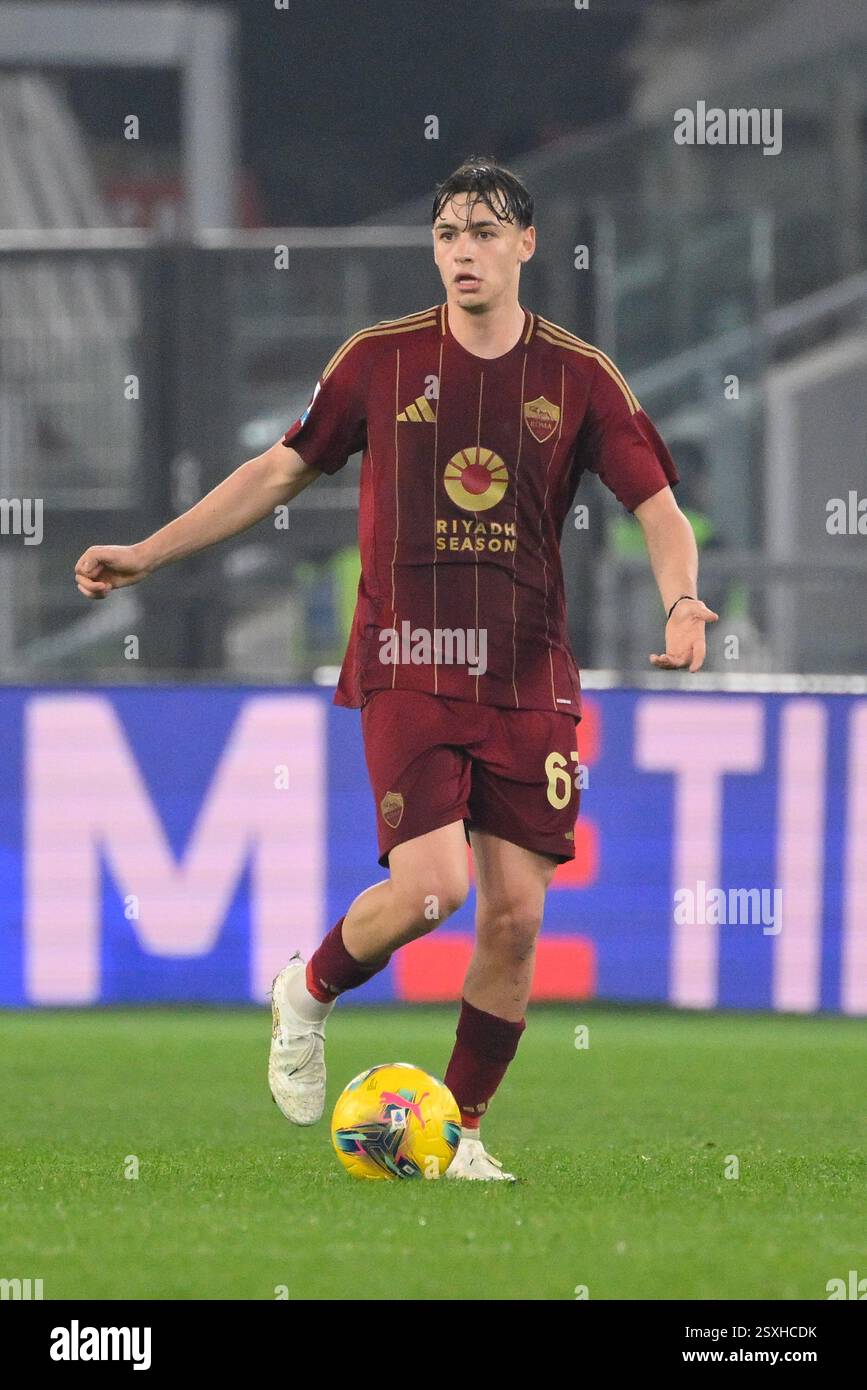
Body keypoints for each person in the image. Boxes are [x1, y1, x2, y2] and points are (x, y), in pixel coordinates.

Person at [74, 156, 718, 1181]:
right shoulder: (379, 361)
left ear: (525, 246)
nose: (463, 250)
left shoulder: (579, 377)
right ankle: (309, 989)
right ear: (436, 249)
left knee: (516, 916)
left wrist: (681, 597)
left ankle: (455, 1130)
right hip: (409, 658)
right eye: (448, 234)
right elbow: (279, 468)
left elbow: (657, 508)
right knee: (434, 891)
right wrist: (151, 552)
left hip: (529, 673)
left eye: (485, 231)